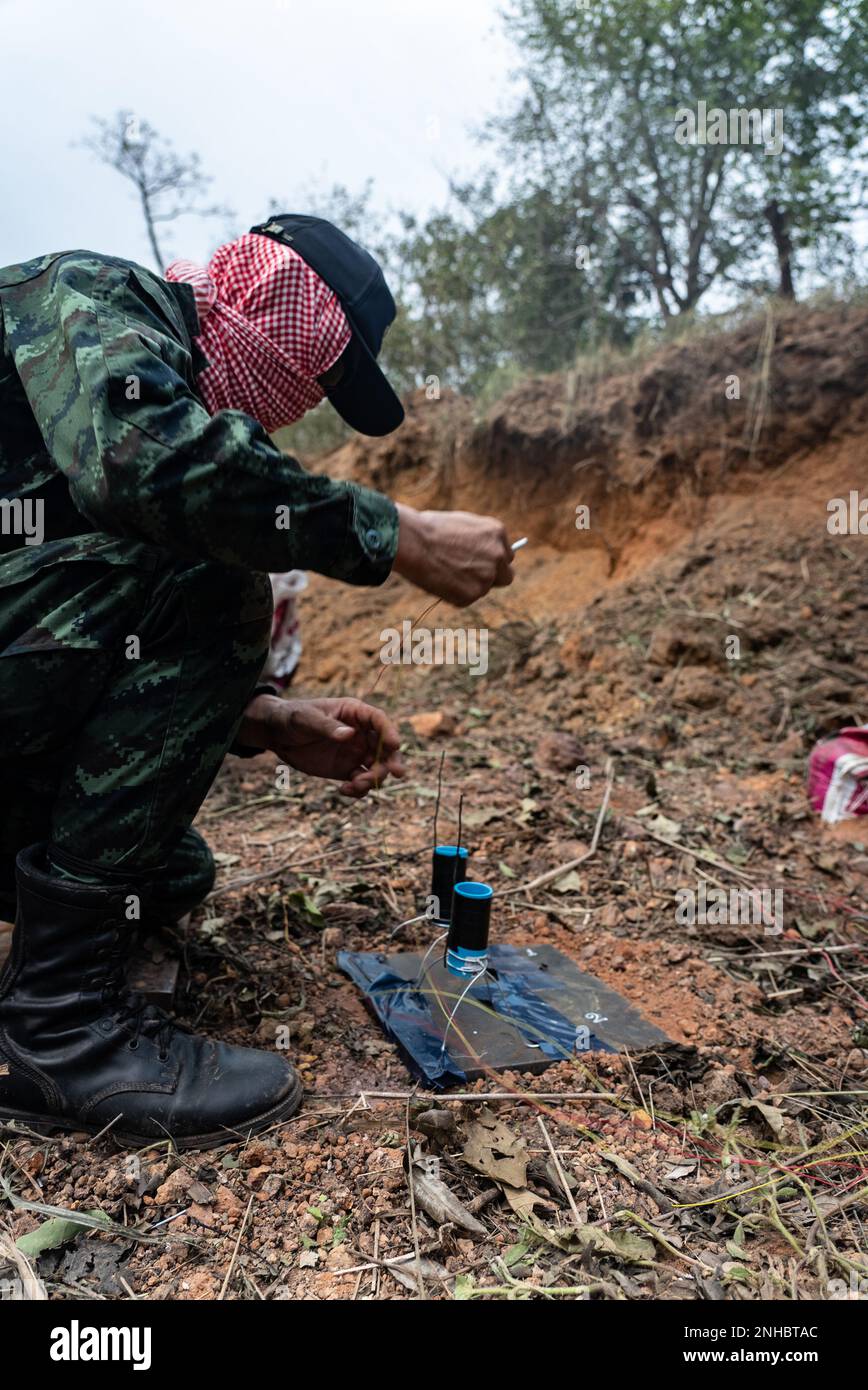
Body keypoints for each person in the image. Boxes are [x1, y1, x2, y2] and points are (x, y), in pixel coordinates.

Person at [0, 214, 514, 1148]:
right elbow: (145, 468)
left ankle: (51, 986)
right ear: (283, 315)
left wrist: (261, 719)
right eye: (318, 372)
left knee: (164, 871)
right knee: (213, 578)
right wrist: (401, 534)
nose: (297, 404)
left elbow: (63, 618)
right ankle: (60, 1034)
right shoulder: (91, 295)